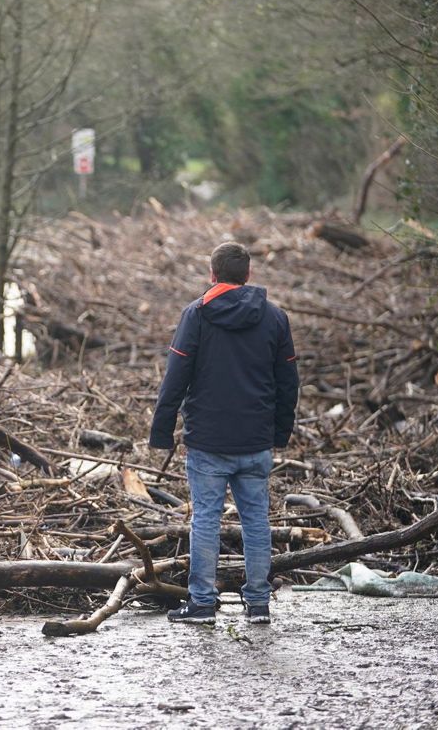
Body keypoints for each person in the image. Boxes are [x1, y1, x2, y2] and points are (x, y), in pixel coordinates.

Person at [149, 241, 299, 625]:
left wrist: (161, 433)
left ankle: (201, 602)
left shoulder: (196, 315)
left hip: (207, 443)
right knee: (256, 523)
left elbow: (175, 379)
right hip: (255, 441)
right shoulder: (275, 318)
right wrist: (280, 433)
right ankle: (259, 603)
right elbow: (289, 383)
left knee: (205, 521)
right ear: (248, 275)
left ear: (212, 275)